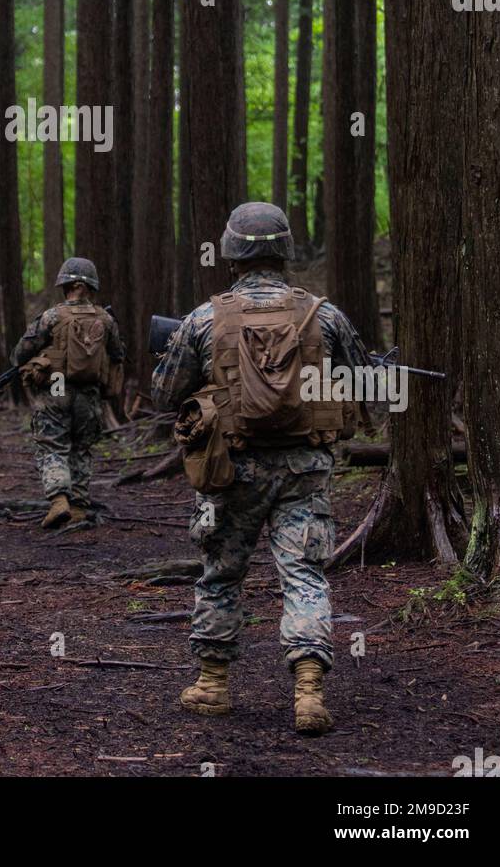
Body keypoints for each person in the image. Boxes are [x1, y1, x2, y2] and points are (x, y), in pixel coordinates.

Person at [152, 202, 371, 736]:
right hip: (307, 470)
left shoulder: (206, 318)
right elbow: (366, 389)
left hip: (234, 470)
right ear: (285, 250)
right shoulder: (327, 315)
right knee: (304, 576)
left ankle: (211, 684)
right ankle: (309, 688)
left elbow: (164, 393)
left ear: (231, 251)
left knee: (222, 574)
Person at [12, 257, 125, 530]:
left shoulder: (52, 316)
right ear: (90, 286)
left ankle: (59, 499)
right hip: (89, 394)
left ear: (67, 285)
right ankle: (79, 506)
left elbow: (20, 353)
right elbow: (118, 354)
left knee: (53, 445)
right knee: (82, 449)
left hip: (57, 388)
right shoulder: (106, 319)